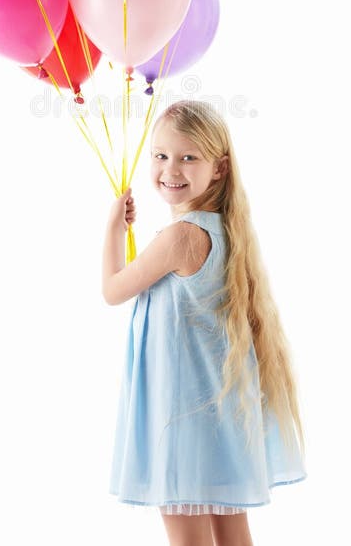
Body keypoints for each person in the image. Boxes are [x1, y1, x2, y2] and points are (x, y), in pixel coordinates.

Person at [102, 99, 307, 546]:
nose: (169, 168)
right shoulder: (224, 230)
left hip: (180, 419)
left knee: (187, 538)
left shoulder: (180, 236)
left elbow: (113, 289)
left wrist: (113, 230)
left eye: (187, 157)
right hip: (217, 416)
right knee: (232, 535)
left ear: (218, 168)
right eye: (160, 155)